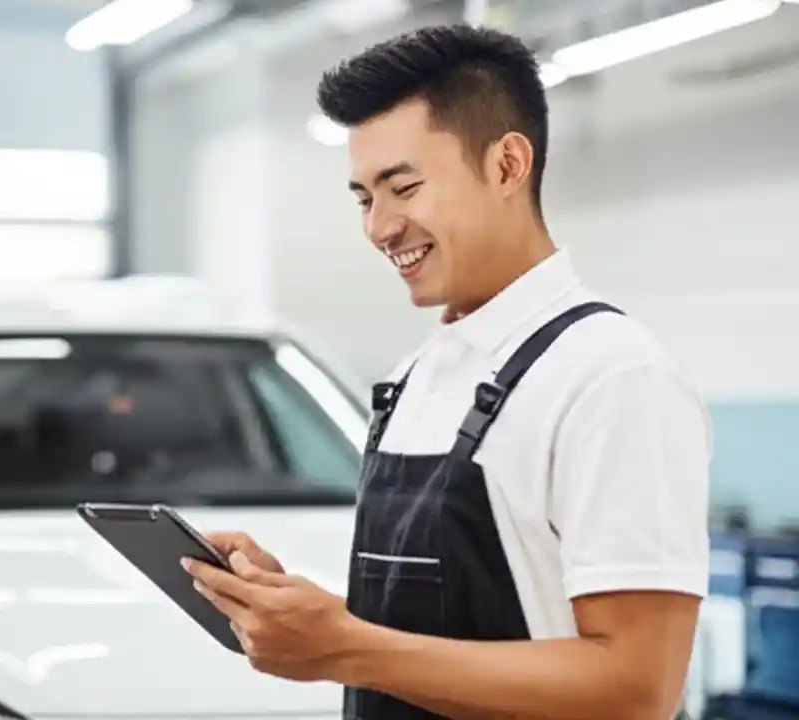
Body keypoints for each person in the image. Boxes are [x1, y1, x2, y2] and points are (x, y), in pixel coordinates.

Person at [181, 24, 710, 719]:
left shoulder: (611, 378)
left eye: (404, 187)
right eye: (365, 197)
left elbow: (637, 689)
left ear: (507, 166)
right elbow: (442, 646)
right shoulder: (417, 378)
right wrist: (305, 618)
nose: (379, 227)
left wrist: (348, 647)